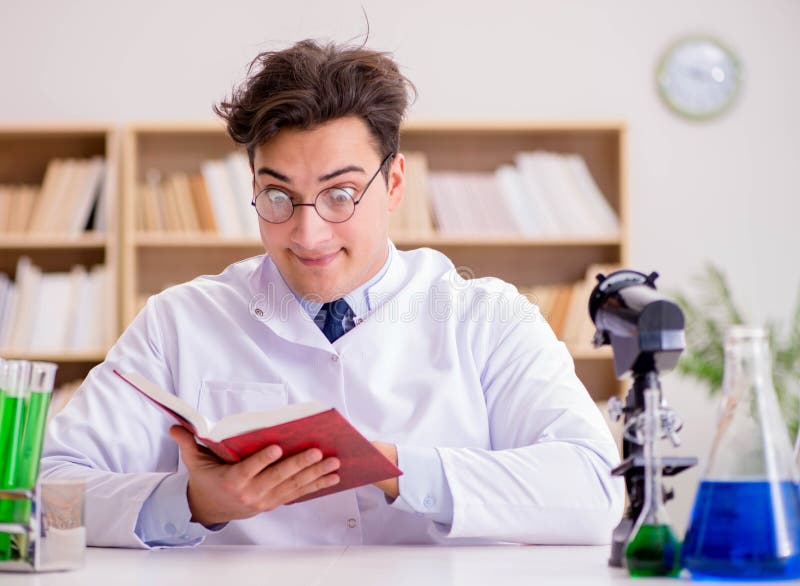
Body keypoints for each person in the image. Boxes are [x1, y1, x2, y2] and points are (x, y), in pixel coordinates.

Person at [41, 39, 624, 548]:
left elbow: (595, 490)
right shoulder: (178, 320)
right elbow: (46, 491)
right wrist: (193, 502)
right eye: (277, 196)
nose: (307, 233)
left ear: (394, 183)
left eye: (340, 194)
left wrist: (393, 468)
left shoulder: (489, 318)